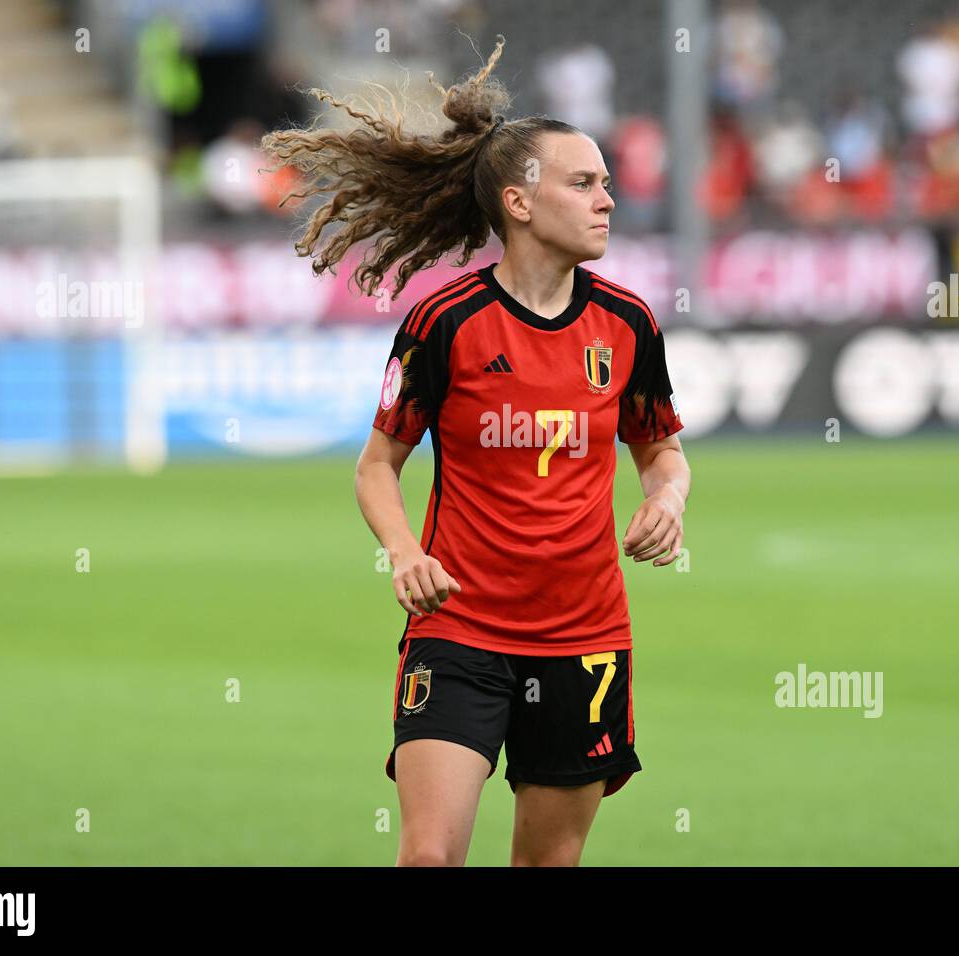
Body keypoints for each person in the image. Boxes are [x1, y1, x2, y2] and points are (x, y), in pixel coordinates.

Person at [261, 36, 690, 866]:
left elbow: (662, 452)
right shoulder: (444, 324)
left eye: (606, 182)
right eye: (584, 183)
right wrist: (402, 550)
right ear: (519, 204)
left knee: (546, 864)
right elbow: (377, 464)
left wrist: (666, 501)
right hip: (458, 630)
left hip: (585, 638)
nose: (608, 199)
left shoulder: (628, 324)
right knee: (428, 858)